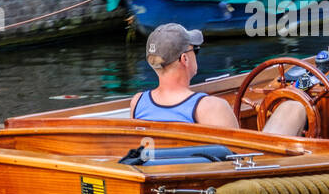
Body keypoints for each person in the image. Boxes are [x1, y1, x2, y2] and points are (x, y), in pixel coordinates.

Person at [130, 23, 308, 136]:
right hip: (213, 185)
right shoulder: (210, 107)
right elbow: (240, 161)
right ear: (184, 59)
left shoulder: (138, 103)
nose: (196, 55)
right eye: (195, 50)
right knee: (293, 108)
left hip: (164, 178)